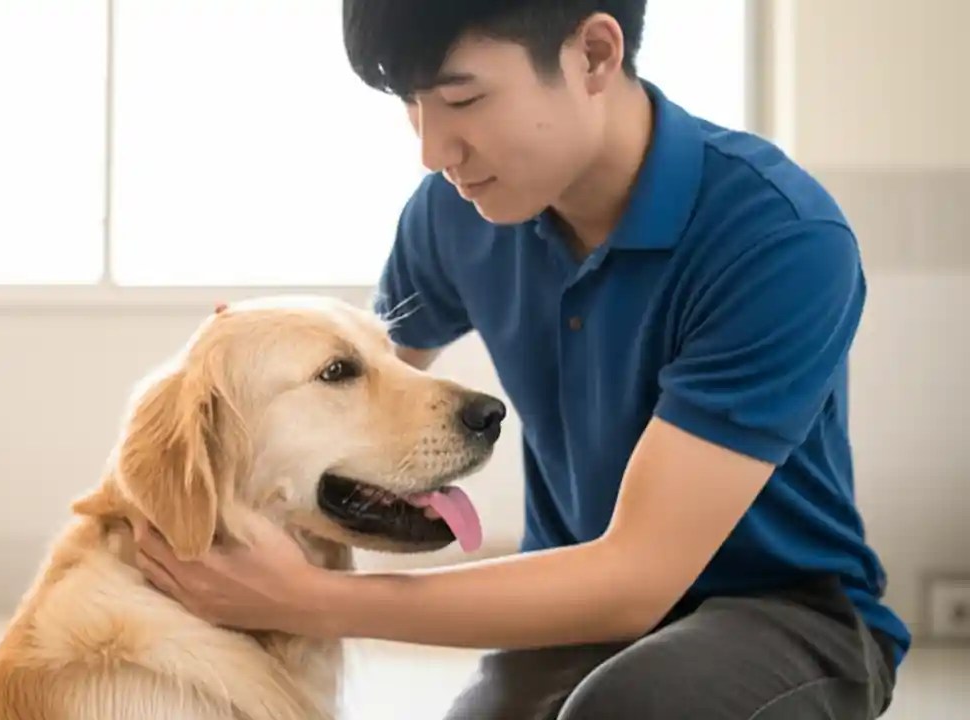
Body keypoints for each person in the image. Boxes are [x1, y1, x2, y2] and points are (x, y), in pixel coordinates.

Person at [132, 1, 910, 717]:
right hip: (571, 612)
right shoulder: (454, 211)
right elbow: (354, 401)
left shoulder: (777, 238)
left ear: (595, 56)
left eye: (462, 99)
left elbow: (636, 580)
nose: (434, 150)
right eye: (413, 104)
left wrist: (306, 600)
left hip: (789, 612)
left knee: (633, 708)